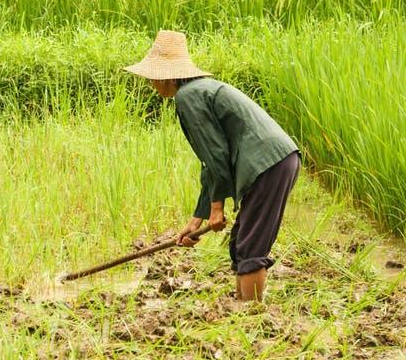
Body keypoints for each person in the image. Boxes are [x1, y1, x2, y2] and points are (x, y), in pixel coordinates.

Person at [125, 30, 300, 302]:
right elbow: (210, 165)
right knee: (242, 242)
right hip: (275, 162)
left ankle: (252, 318)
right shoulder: (197, 92)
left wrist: (217, 208)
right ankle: (243, 310)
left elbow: (217, 156)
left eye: (152, 76)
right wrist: (197, 219)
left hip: (268, 165)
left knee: (251, 247)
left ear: (167, 75)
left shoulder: (188, 97)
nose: (150, 82)